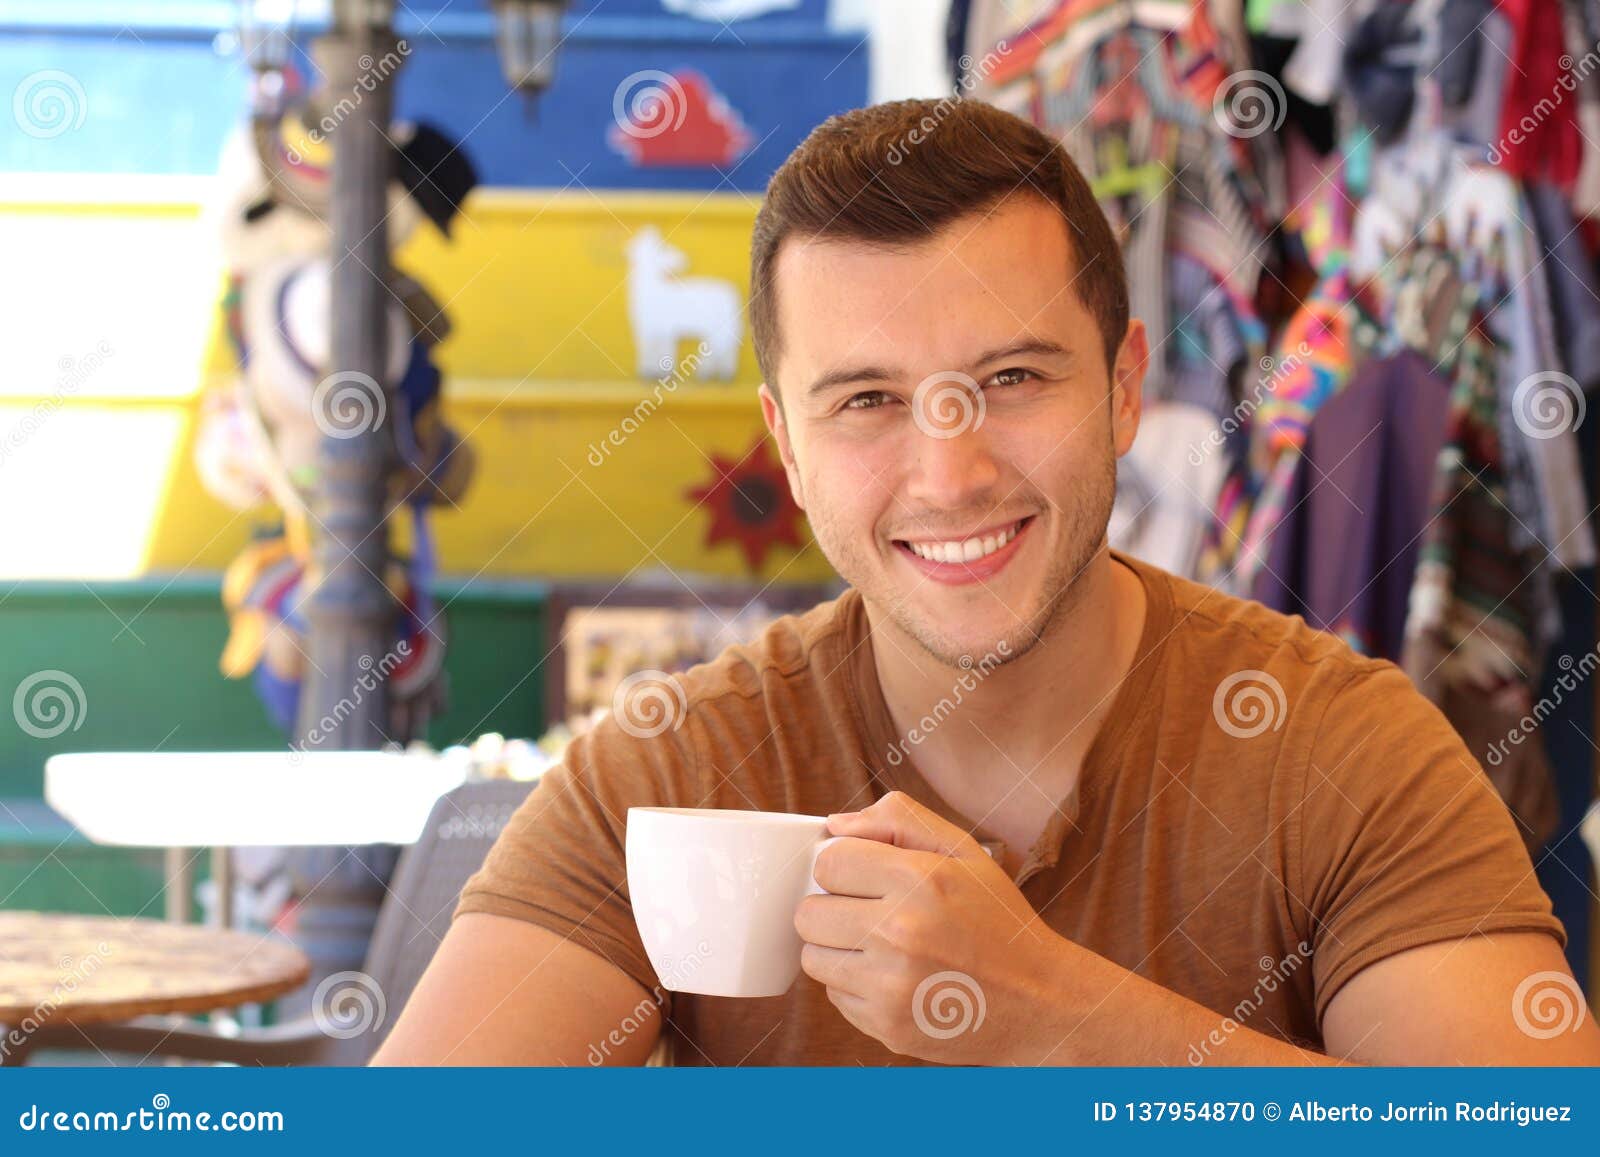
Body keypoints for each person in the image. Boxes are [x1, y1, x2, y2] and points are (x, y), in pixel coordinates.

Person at [373, 99, 1600, 1066]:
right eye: (866, 401)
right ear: (787, 445)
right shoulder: (676, 771)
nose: (950, 473)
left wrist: (1050, 1017)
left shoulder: (1346, 748)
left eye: (1014, 378)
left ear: (1124, 387)